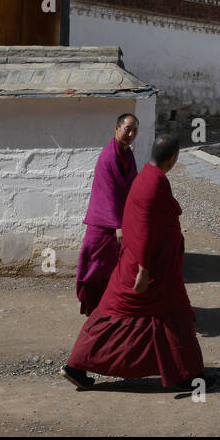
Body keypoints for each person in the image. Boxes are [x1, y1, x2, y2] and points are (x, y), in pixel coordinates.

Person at [63, 134, 213, 393]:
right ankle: (189, 376)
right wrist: (143, 269)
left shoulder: (147, 177)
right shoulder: (151, 184)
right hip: (149, 270)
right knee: (125, 317)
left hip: (156, 267)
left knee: (163, 318)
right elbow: (142, 228)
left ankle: (187, 374)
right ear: (173, 158)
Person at [75, 113, 139, 315]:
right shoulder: (109, 157)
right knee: (94, 262)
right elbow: (108, 194)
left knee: (118, 266)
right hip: (103, 224)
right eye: (127, 128)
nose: (130, 133)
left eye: (134, 130)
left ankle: (113, 304)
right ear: (116, 128)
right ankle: (94, 307)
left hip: (121, 221)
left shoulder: (128, 155)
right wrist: (118, 225)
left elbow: (133, 187)